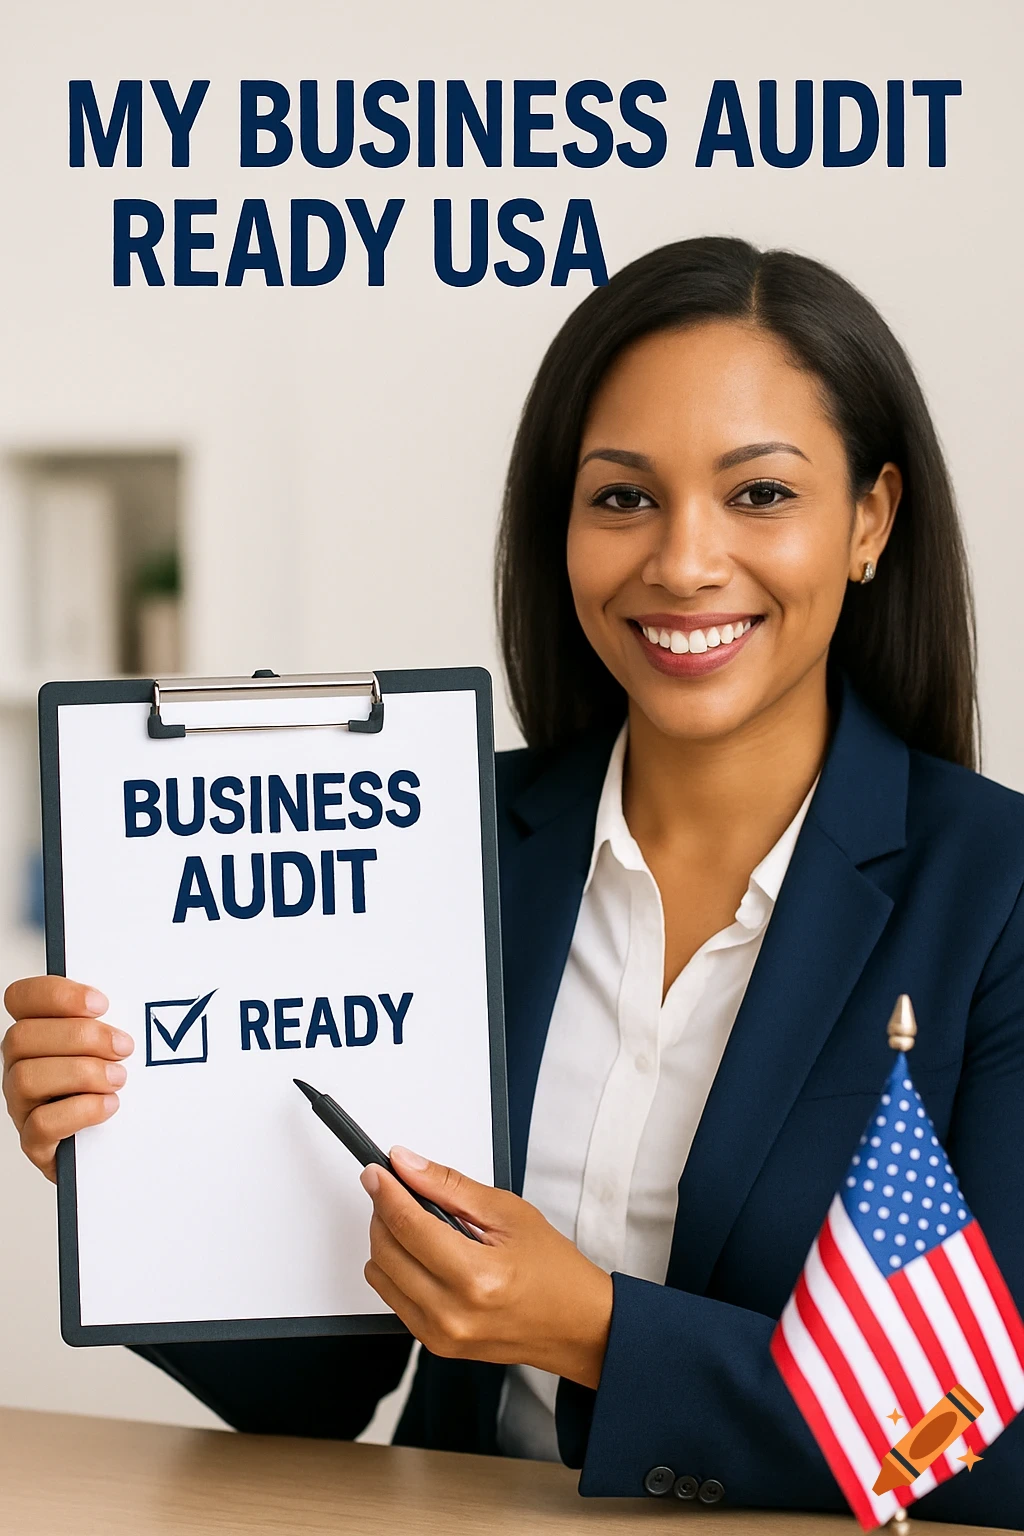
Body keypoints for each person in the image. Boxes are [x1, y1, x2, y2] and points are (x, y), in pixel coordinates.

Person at [4, 237, 1023, 1528]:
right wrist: (129, 1152)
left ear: (871, 519)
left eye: (759, 495)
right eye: (622, 498)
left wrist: (596, 1331)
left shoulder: (997, 897)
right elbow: (322, 1388)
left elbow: (988, 1441)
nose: (684, 562)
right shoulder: (442, 833)